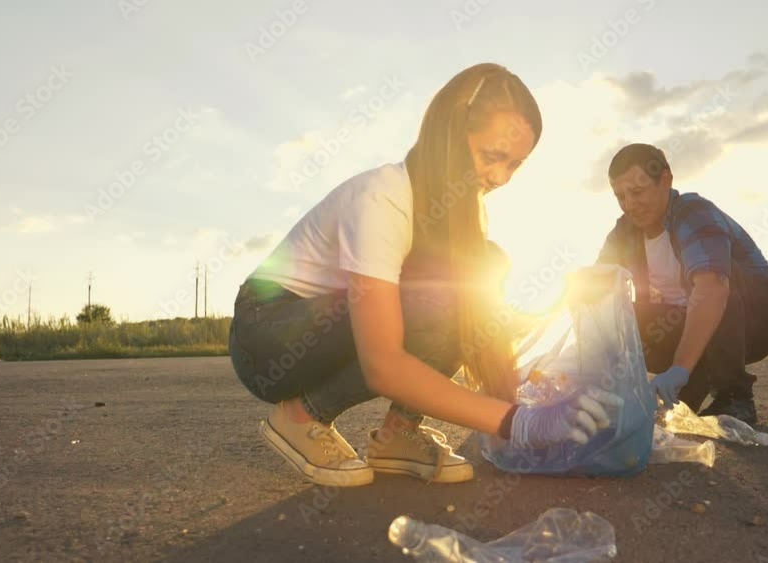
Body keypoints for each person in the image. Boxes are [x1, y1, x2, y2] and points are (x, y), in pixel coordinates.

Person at [229, 63, 623, 488]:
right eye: (493, 157)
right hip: (267, 335)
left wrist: (529, 397)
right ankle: (300, 416)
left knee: (482, 268)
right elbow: (383, 363)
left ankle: (398, 434)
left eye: (515, 165)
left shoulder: (466, 214)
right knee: (445, 296)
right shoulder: (383, 196)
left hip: (327, 325)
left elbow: (479, 324)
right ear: (449, 134)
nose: (501, 178)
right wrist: (520, 422)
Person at [596, 143, 768, 424]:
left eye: (637, 192)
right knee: (623, 311)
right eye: (620, 196)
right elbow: (596, 288)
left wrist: (678, 368)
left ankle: (734, 396)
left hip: (756, 317)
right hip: (687, 320)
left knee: (715, 276)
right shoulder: (624, 231)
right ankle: (686, 392)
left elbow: (712, 289)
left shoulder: (694, 212)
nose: (629, 205)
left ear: (666, 180)